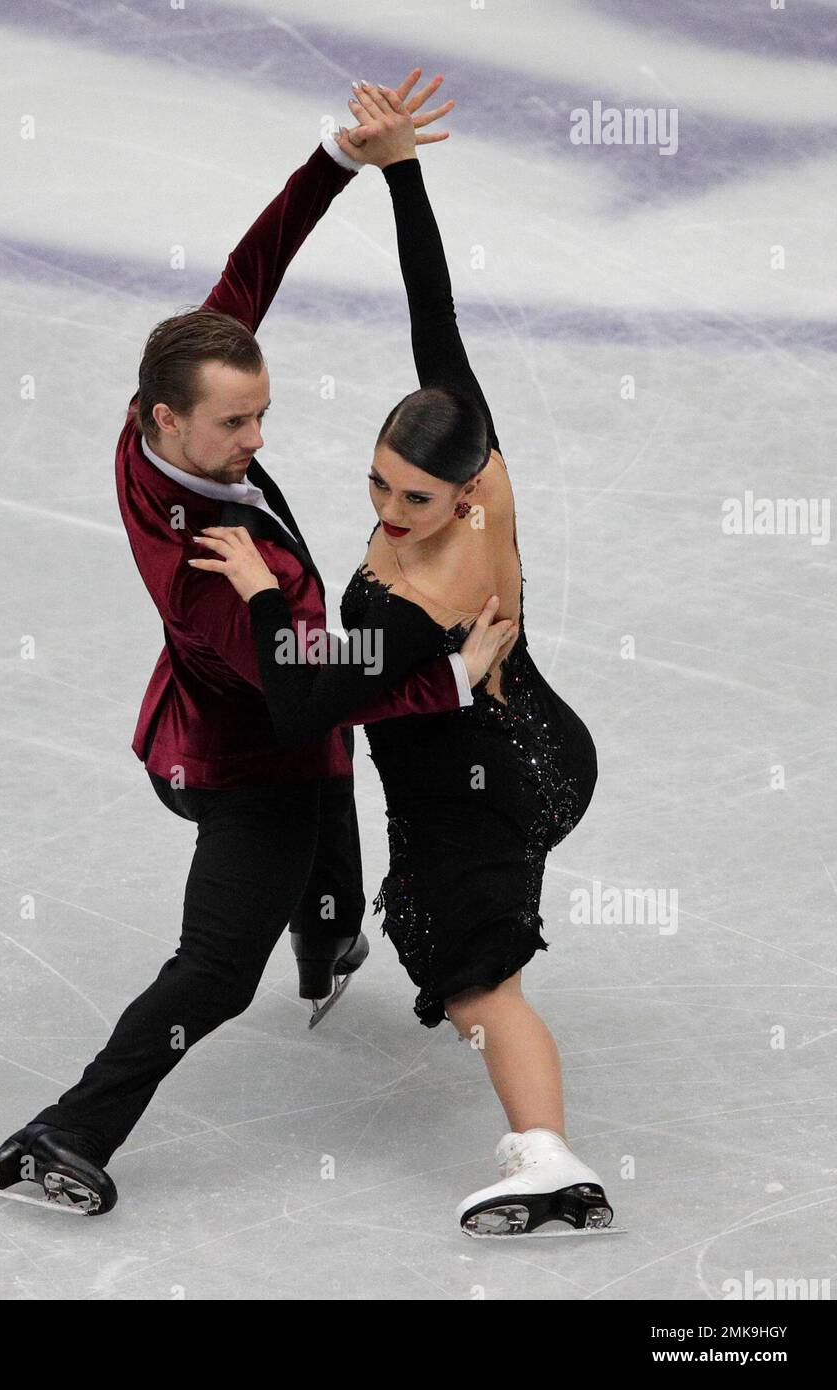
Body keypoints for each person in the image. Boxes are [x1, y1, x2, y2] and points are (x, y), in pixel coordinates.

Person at [0, 70, 513, 1217]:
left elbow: (248, 273)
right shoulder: (205, 553)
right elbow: (309, 697)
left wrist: (338, 160)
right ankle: (65, 1130)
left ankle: (325, 947)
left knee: (332, 845)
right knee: (216, 965)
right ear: (166, 418)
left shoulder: (169, 400)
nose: (258, 437)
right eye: (236, 422)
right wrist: (449, 674)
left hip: (267, 722)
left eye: (260, 411)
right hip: (245, 754)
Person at [192, 83, 614, 1237]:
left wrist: (267, 597)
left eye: (413, 495)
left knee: (478, 976)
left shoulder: (426, 603)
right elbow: (436, 314)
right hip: (541, 734)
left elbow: (302, 708)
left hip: (476, 775)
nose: (387, 506)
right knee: (462, 944)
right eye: (376, 480)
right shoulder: (471, 447)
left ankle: (547, 1155)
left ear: (464, 488)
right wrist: (397, 171)